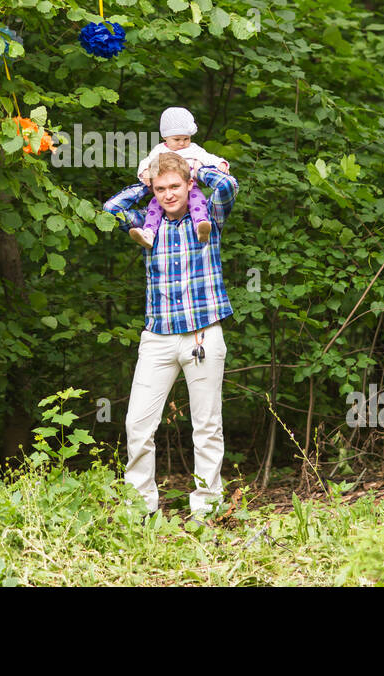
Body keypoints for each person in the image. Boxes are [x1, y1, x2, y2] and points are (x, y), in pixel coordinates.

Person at [103, 148, 239, 518]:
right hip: (158, 337)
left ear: (188, 184)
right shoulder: (147, 227)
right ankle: (139, 509)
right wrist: (143, 183)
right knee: (137, 424)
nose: (169, 194)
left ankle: (206, 510)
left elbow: (227, 185)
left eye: (175, 185)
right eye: (161, 188)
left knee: (207, 426)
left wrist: (200, 168)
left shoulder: (208, 216)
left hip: (203, 335)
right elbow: (109, 210)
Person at [131, 107, 231, 249]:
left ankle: (201, 227)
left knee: (199, 204)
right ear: (165, 137)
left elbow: (208, 158)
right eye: (177, 139)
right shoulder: (159, 150)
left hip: (191, 187)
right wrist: (145, 173)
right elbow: (145, 163)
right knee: (154, 207)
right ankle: (148, 233)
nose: (182, 143)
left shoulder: (193, 149)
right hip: (167, 189)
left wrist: (220, 163)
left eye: (186, 138)